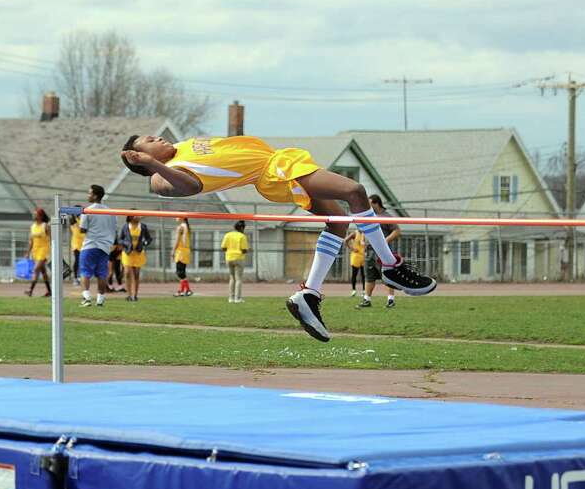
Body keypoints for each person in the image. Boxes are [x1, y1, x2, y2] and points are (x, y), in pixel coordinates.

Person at [121, 134, 435, 341]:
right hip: (276, 170)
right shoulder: (166, 174)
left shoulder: (184, 146)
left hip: (276, 164)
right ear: (141, 156)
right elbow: (182, 187)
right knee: (355, 192)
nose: (158, 137)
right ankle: (391, 266)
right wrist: (151, 165)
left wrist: (152, 157)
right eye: (149, 141)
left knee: (338, 223)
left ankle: (309, 294)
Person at [78, 184, 118, 307]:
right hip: (105, 247)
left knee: (85, 272)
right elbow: (114, 229)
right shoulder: (111, 212)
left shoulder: (88, 210)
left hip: (90, 245)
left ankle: (87, 297)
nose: (88, 195)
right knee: (102, 273)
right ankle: (100, 299)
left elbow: (82, 229)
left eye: (89, 193)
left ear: (95, 196)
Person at [359, 194, 400, 309]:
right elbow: (362, 230)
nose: (367, 205)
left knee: (387, 276)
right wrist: (362, 240)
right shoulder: (369, 216)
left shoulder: (386, 216)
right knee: (369, 276)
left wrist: (384, 241)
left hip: (382, 252)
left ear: (376, 203)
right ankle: (367, 300)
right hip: (369, 252)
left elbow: (397, 231)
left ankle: (390, 300)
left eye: (369, 203)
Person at [117, 215, 152, 302]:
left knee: (136, 274)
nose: (139, 216)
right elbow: (120, 239)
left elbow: (149, 238)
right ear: (131, 217)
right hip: (127, 253)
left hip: (138, 253)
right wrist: (127, 244)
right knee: (127, 273)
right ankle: (129, 295)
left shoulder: (143, 226)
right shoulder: (126, 226)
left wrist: (145, 243)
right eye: (136, 215)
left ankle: (135, 295)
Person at [221, 220, 250, 303]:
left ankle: (231, 298)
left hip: (229, 257)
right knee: (238, 279)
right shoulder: (242, 236)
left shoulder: (228, 235)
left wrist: (230, 250)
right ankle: (238, 298)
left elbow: (223, 247)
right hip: (239, 258)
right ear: (241, 228)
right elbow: (244, 249)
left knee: (232, 278)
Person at [26, 208, 52, 297]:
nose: (33, 215)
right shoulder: (32, 226)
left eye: (35, 214)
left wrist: (52, 251)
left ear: (40, 216)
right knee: (43, 272)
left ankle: (30, 290)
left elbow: (51, 238)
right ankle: (49, 291)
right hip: (35, 251)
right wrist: (28, 252)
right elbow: (31, 241)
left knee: (36, 269)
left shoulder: (45, 226)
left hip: (44, 250)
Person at [173, 217, 193, 297]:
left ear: (182, 218)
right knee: (182, 272)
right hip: (185, 250)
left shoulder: (182, 226)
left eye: (177, 216)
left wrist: (173, 250)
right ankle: (184, 290)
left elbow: (177, 240)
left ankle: (186, 290)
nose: (176, 218)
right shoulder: (186, 226)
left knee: (180, 272)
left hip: (181, 251)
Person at [346, 228, 366, 296]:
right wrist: (352, 248)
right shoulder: (354, 233)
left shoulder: (365, 234)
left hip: (363, 256)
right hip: (356, 256)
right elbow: (346, 240)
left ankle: (364, 290)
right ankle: (354, 290)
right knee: (355, 274)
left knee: (364, 274)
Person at [69, 215, 84, 286]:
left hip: (83, 242)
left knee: (82, 260)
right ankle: (76, 278)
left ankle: (80, 276)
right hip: (76, 243)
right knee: (77, 260)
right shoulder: (73, 220)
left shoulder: (83, 219)